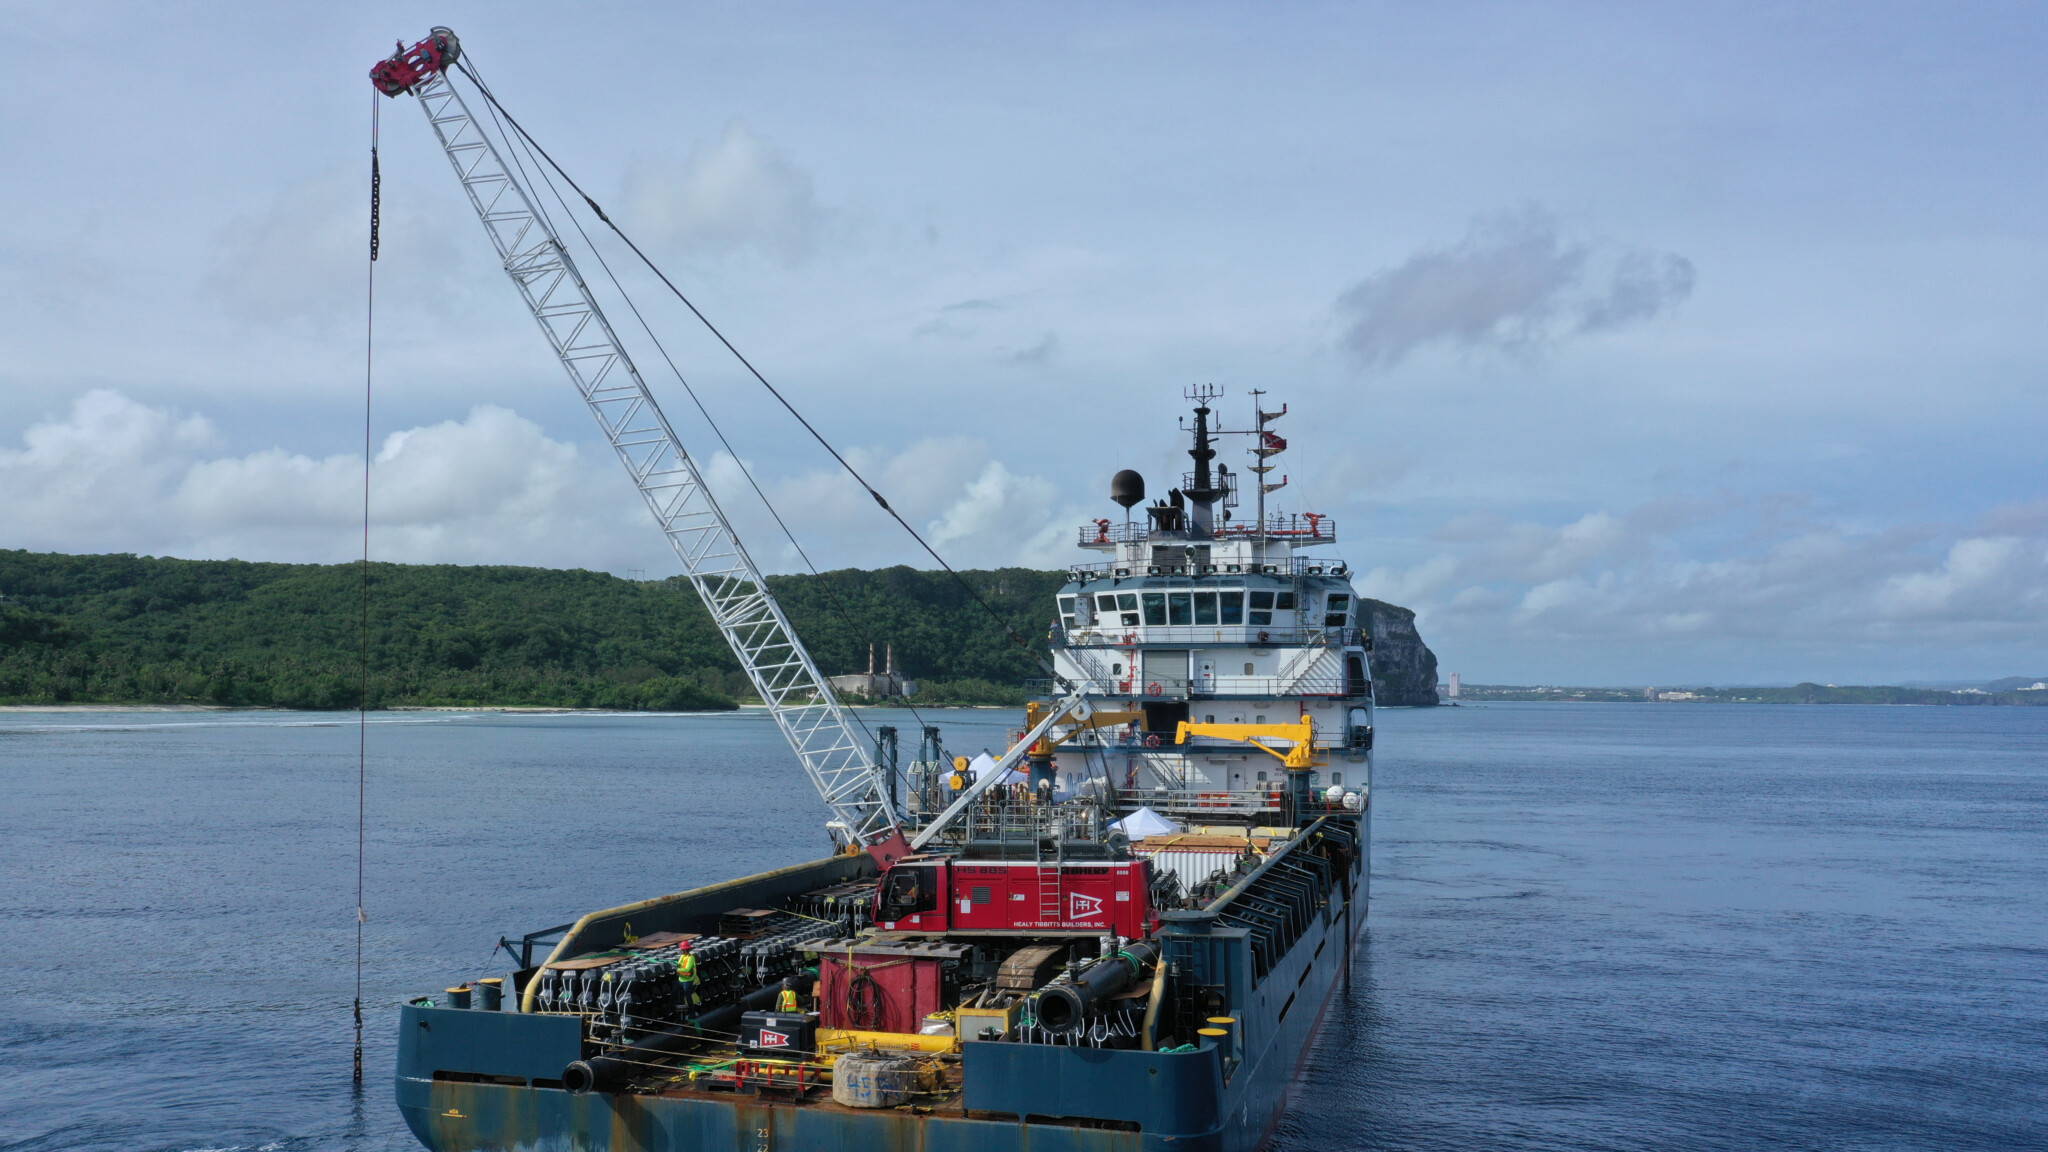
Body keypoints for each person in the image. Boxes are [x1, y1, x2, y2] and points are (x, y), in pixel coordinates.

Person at [674, 944, 700, 1010]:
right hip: (686, 980)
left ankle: (691, 1011)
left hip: (690, 981)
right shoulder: (685, 957)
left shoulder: (690, 959)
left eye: (683, 949)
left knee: (688, 995)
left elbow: (687, 970)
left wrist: (677, 969)